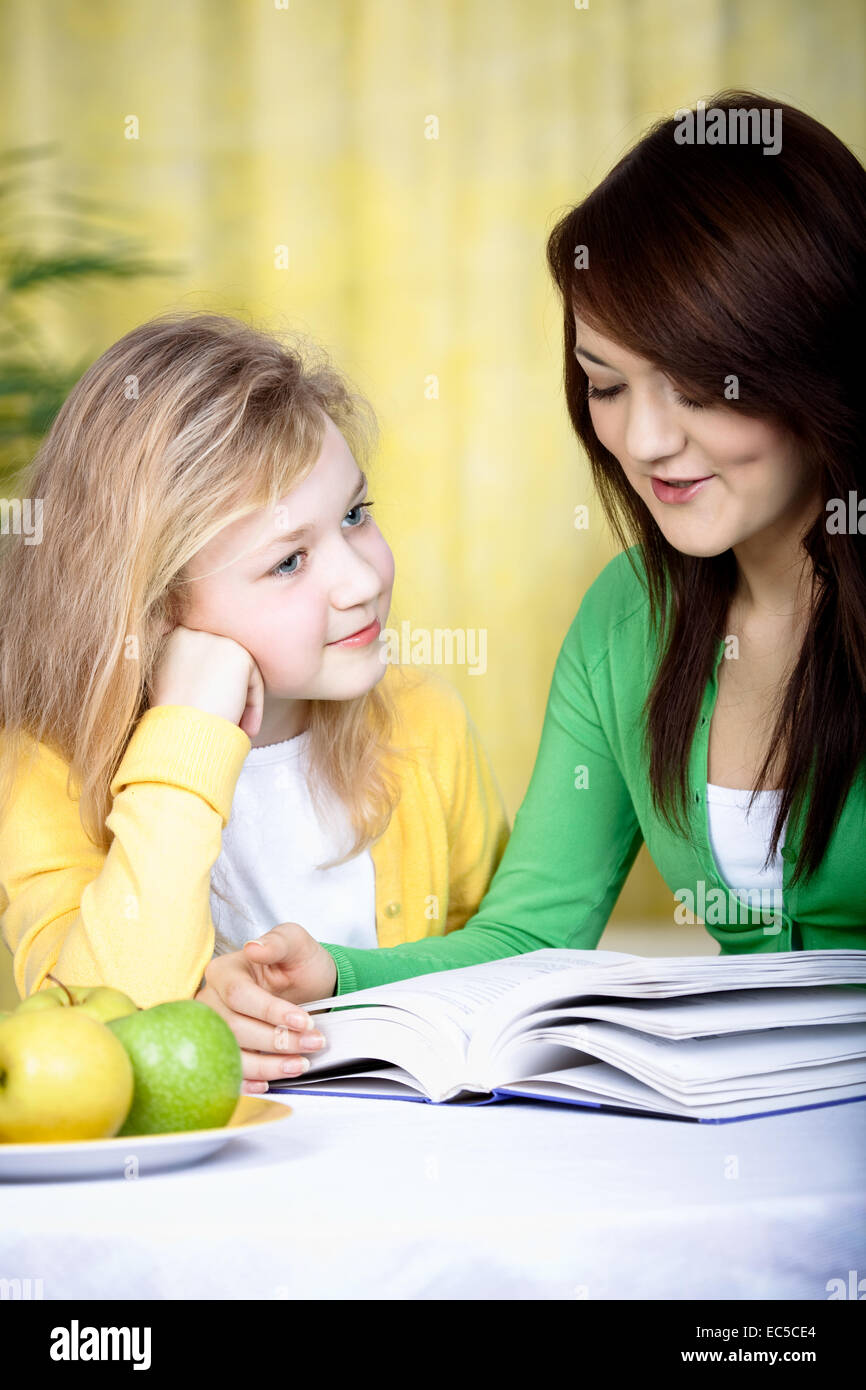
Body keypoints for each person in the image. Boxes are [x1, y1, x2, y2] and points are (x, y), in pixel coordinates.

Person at [211, 87, 866, 1092]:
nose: (645, 441)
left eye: (696, 387)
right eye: (605, 385)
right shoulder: (627, 616)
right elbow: (531, 933)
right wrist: (333, 974)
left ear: (814, 349)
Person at [0, 313, 510, 1092]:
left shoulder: (421, 721)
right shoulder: (47, 769)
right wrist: (188, 733)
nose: (361, 580)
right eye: (289, 561)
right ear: (154, 606)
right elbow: (87, 1033)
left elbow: (505, 963)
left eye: (355, 515)